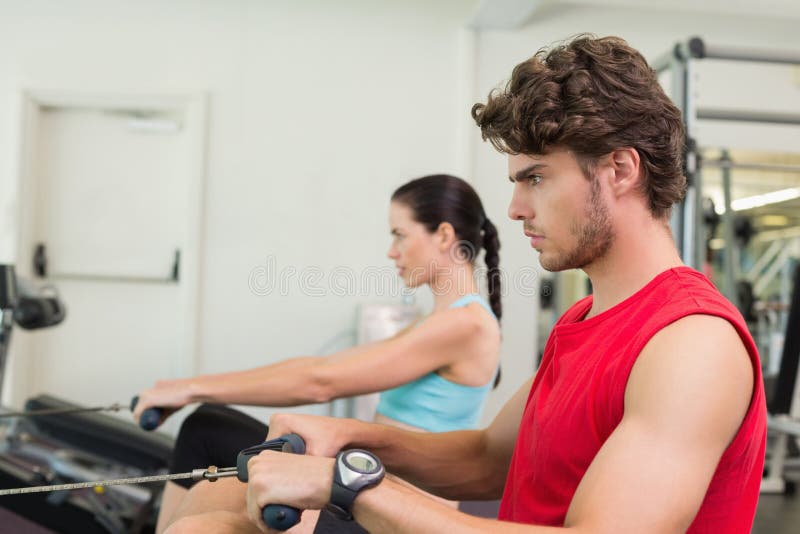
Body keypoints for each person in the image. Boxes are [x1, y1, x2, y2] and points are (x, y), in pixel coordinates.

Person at [166, 35, 767, 534]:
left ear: (619, 168)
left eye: (535, 178)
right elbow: (488, 460)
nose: (513, 208)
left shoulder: (692, 344)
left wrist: (348, 484)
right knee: (204, 512)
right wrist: (352, 437)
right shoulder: (583, 321)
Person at [133, 174, 503, 532]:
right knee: (206, 429)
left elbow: (320, 382)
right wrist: (190, 387)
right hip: (370, 484)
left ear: (442, 235)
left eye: (400, 235)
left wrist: (191, 388)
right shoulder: (438, 321)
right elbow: (321, 368)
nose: (392, 251)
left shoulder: (464, 324)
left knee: (202, 521)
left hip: (398, 509)